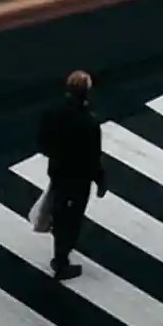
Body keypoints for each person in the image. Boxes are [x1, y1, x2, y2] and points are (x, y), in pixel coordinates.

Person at [37, 70, 107, 279]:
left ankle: (59, 243)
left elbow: (42, 143)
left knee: (59, 209)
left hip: (59, 172)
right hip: (79, 177)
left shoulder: (51, 113)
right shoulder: (89, 123)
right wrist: (100, 180)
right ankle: (61, 259)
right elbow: (93, 156)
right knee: (73, 217)